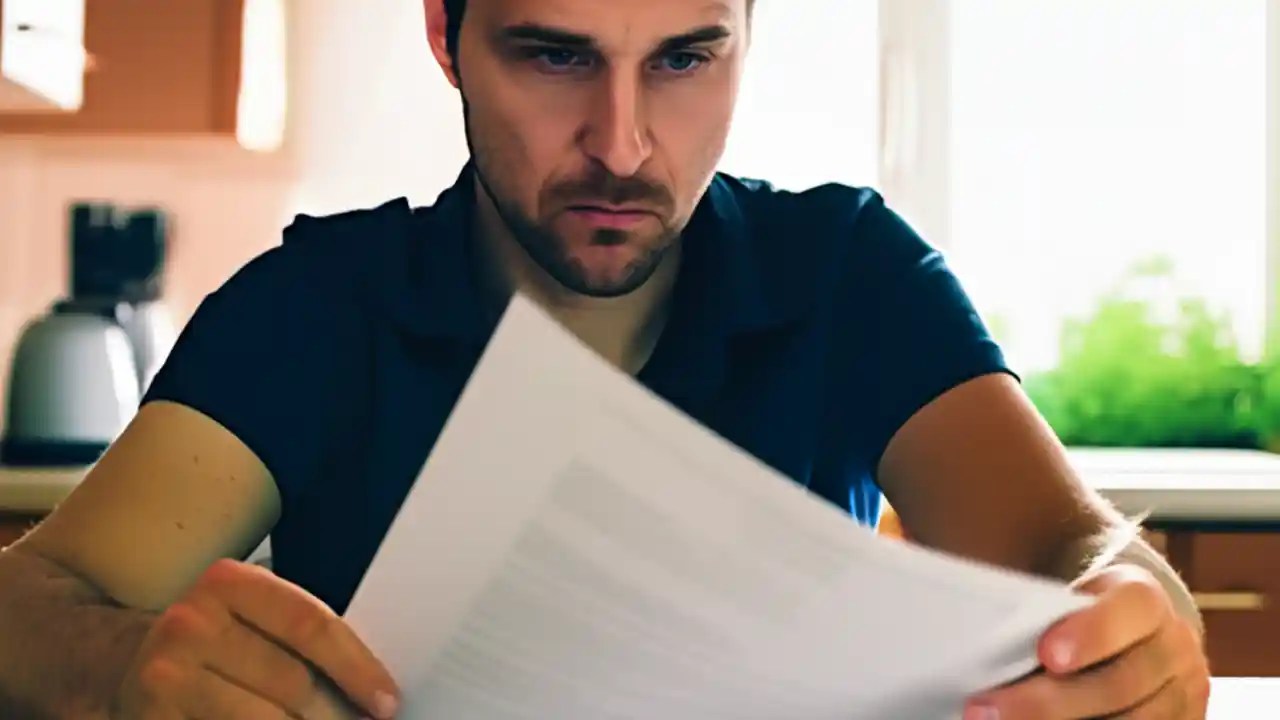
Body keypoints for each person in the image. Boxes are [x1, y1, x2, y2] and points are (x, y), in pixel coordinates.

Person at [0, 0, 1212, 717]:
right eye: (555, 55)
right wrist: (124, 671)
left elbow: (1077, 551)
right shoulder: (317, 306)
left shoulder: (847, 274)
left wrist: (1136, 615)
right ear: (446, 34)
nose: (622, 145)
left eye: (685, 58)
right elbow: (28, 603)